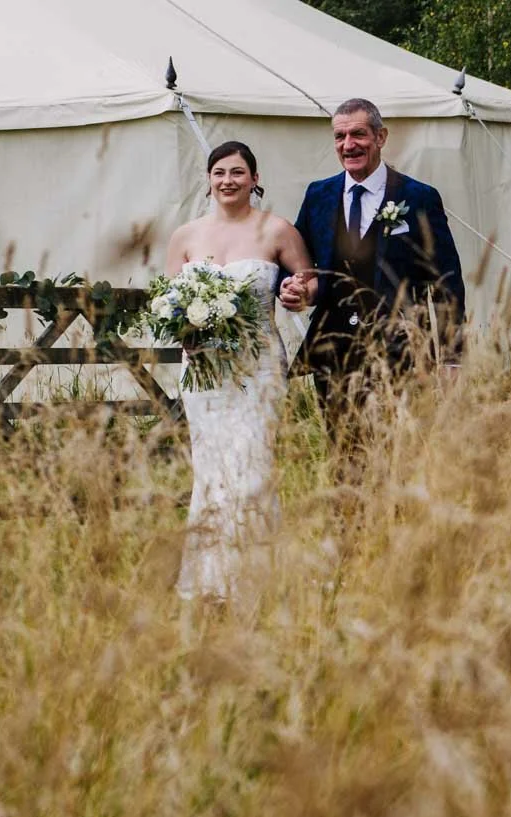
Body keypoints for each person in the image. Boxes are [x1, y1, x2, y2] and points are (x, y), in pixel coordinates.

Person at [164, 141, 313, 603]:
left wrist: (296, 290)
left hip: (258, 367)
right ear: (208, 179)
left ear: (254, 178)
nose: (228, 180)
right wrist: (183, 328)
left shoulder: (277, 230)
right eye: (219, 173)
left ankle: (256, 578)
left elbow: (308, 281)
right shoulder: (185, 236)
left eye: (237, 172)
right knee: (212, 471)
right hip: (205, 371)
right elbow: (170, 304)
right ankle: (210, 580)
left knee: (250, 468)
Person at [278, 98, 465, 466]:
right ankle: (348, 522)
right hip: (333, 349)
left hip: (402, 349)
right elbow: (297, 259)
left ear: (381, 137)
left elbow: (446, 281)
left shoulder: (418, 197)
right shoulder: (319, 195)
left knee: (396, 453)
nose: (349, 145)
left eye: (359, 134)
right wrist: (292, 286)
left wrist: (452, 356)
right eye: (340, 136)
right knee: (342, 451)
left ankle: (395, 521)